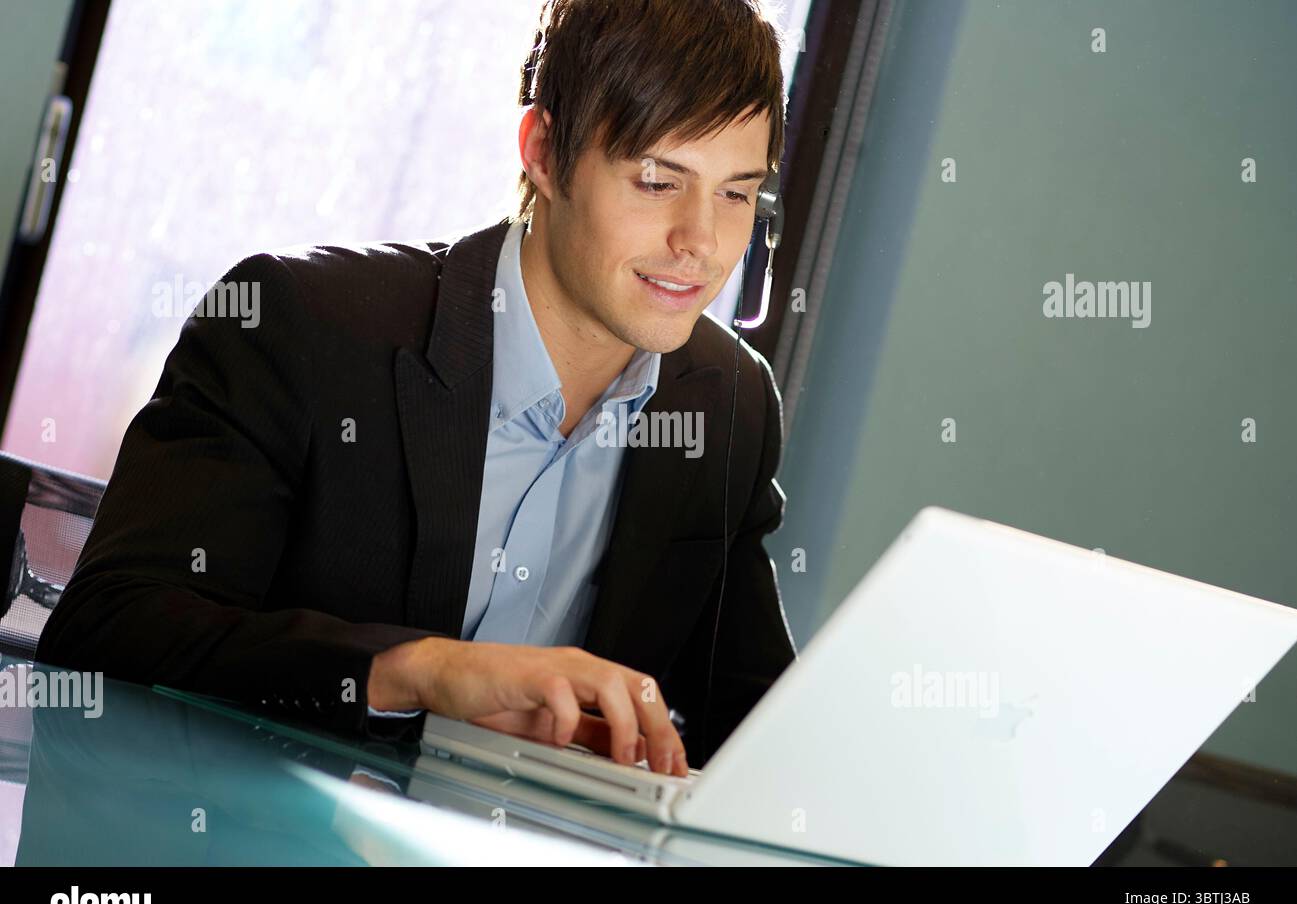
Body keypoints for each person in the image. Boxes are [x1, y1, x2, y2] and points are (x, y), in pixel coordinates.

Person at [37, 0, 796, 774]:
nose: (702, 243)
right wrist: (416, 674)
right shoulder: (300, 324)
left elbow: (760, 737)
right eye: (658, 180)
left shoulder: (726, 404)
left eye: (736, 193)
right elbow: (106, 630)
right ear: (541, 149)